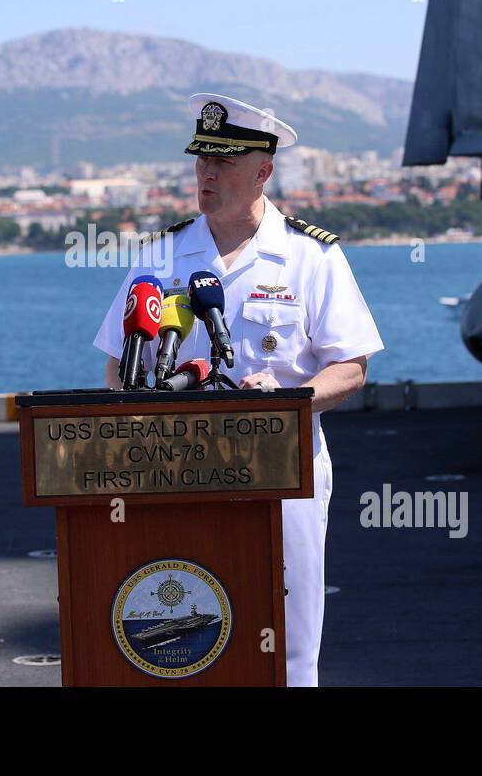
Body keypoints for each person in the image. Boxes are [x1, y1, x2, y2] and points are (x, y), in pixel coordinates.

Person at [92, 93, 384, 686]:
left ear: (263, 170)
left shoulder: (310, 256)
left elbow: (351, 367)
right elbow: (117, 367)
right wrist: (145, 387)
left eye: (223, 161)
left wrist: (291, 395)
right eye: (202, 159)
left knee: (291, 631)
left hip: (284, 469)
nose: (207, 173)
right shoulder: (160, 254)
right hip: (177, 470)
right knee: (186, 626)